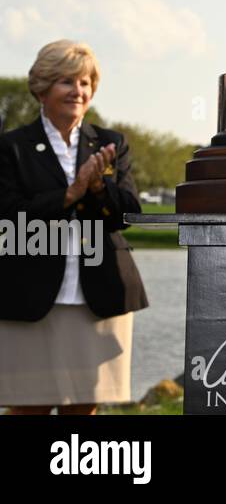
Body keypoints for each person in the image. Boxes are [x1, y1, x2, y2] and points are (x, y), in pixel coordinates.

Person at [0, 40, 148, 414]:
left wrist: (98, 188)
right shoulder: (11, 147)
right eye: (67, 81)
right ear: (42, 88)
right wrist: (70, 194)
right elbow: (9, 215)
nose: (78, 91)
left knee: (84, 407)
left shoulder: (113, 144)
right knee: (29, 406)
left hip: (98, 297)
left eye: (85, 82)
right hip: (30, 298)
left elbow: (128, 214)